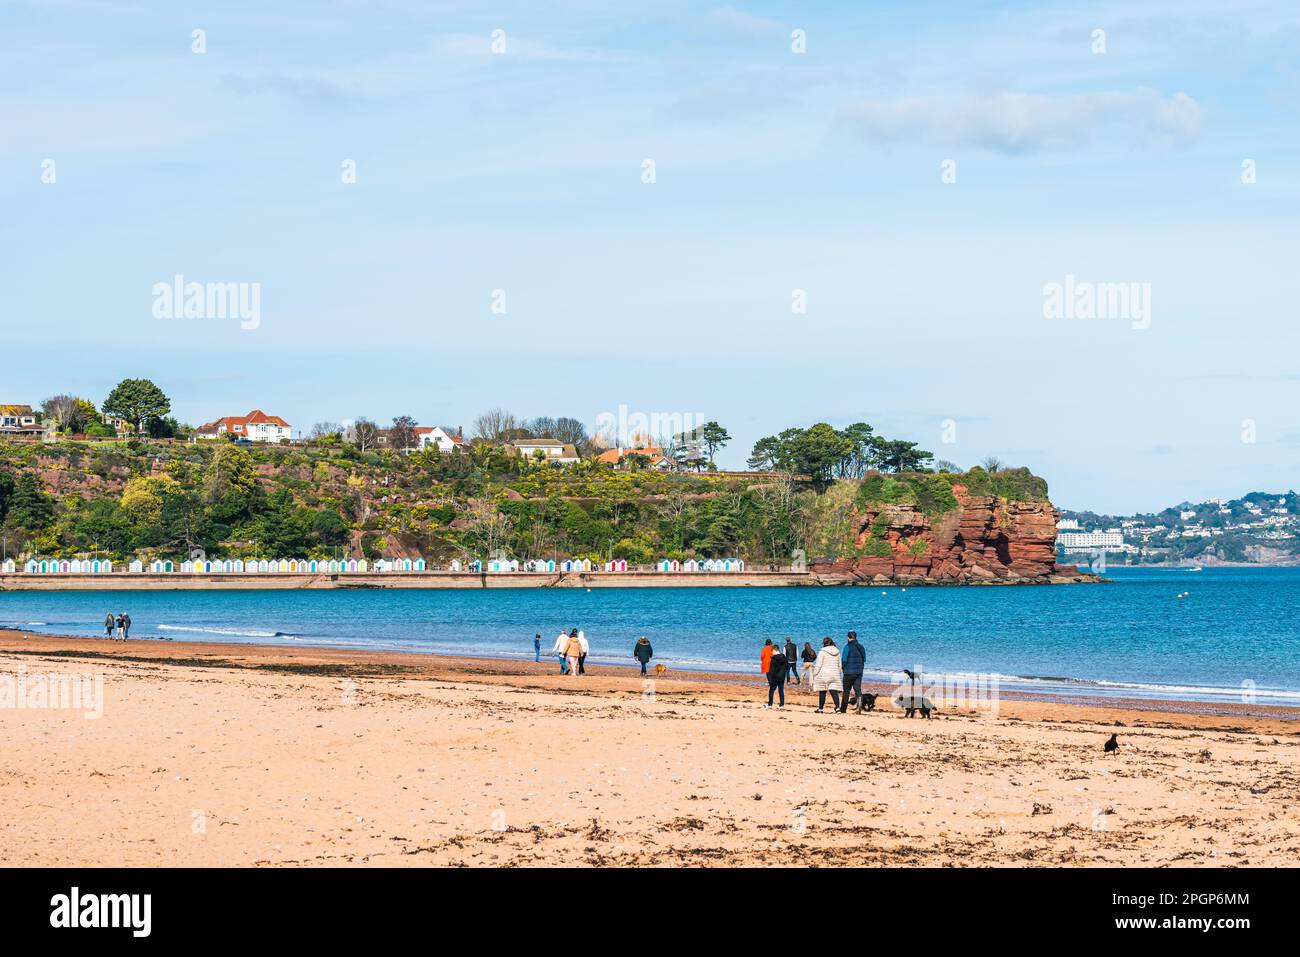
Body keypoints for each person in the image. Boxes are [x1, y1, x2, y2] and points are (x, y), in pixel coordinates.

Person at [812, 637, 843, 713]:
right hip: (835, 674)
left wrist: (814, 674)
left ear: (824, 643)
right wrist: (839, 674)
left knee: (822, 691)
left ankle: (820, 709)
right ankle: (838, 708)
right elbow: (840, 665)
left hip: (824, 674)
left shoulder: (822, 652)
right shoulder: (837, 651)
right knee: (834, 691)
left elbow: (818, 665)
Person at [839, 630, 866, 713]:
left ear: (848, 637)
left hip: (848, 672)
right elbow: (864, 659)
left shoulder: (847, 647)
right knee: (858, 690)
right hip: (859, 672)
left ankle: (843, 709)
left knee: (846, 690)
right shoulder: (861, 647)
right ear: (855, 637)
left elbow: (844, 660)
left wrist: (842, 668)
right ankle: (859, 708)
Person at [765, 642, 789, 709]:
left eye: (772, 651)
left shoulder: (773, 659)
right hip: (782, 677)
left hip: (775, 677)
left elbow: (771, 670)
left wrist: (769, 680)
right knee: (781, 691)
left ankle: (770, 705)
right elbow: (787, 668)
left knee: (771, 690)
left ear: (774, 650)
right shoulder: (785, 658)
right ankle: (782, 705)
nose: (771, 653)